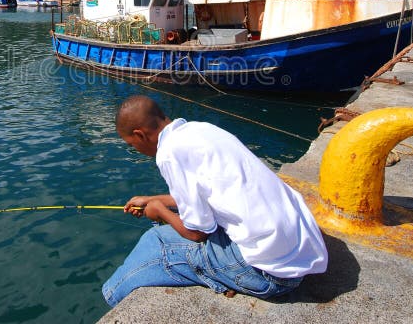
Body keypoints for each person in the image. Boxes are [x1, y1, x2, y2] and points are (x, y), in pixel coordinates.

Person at [102, 95, 328, 307]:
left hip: (270, 275)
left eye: (132, 145)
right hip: (300, 254)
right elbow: (206, 195)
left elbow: (197, 233)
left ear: (140, 135)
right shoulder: (200, 130)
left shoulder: (168, 154)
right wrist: (152, 200)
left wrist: (159, 211)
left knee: (156, 240)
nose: (136, 150)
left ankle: (111, 295)